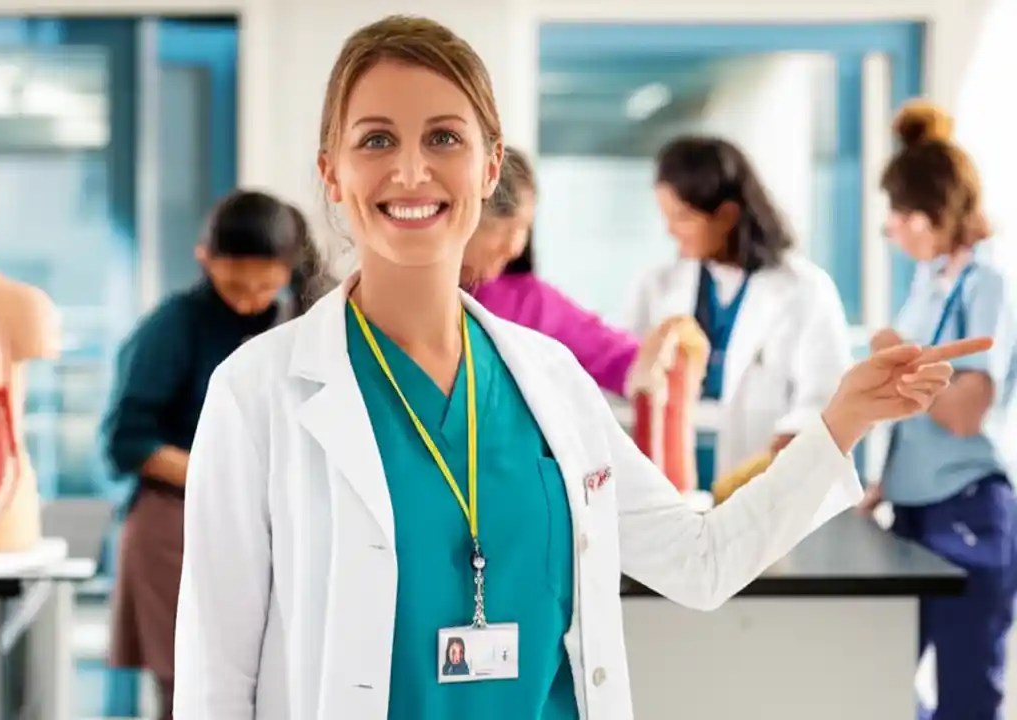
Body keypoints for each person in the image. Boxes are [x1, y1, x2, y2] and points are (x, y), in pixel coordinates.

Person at [172, 15, 984, 720]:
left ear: (490, 170)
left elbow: (699, 562)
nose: (412, 171)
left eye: (444, 138)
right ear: (333, 174)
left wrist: (842, 422)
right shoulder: (259, 393)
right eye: (376, 139)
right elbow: (216, 680)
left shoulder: (548, 380)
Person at [100, 189, 314, 720]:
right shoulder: (173, 327)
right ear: (204, 259)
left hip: (270, 521)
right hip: (176, 523)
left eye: (265, 283)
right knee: (189, 692)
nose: (248, 298)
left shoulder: (300, 320)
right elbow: (127, 440)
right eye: (234, 281)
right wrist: (228, 478)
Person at [862, 100, 1017, 720]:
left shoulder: (989, 283)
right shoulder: (929, 281)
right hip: (914, 510)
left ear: (930, 216)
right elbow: (918, 396)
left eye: (898, 213)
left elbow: (964, 412)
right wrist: (883, 482)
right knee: (876, 676)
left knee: (966, 696)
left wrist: (897, 359)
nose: (890, 228)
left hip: (969, 510)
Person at [624, 136, 853, 489]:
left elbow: (826, 397)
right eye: (667, 216)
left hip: (762, 482)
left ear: (727, 215)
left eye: (683, 217)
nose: (670, 231)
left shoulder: (804, 290)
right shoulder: (657, 286)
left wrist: (791, 440)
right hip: (670, 482)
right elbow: (628, 376)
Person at [463, 146, 703, 398]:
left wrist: (667, 348)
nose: (514, 245)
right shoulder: (422, 299)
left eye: (524, 227)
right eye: (508, 227)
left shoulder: (530, 301)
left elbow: (620, 358)